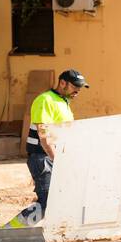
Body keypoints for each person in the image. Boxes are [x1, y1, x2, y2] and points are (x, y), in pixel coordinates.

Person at [26, 69, 86, 215]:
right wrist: (57, 160)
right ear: (62, 83)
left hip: (55, 158)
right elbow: (44, 137)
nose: (77, 90)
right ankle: (12, 232)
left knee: (56, 202)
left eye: (79, 87)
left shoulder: (63, 102)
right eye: (74, 86)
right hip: (42, 158)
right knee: (48, 203)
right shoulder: (45, 100)